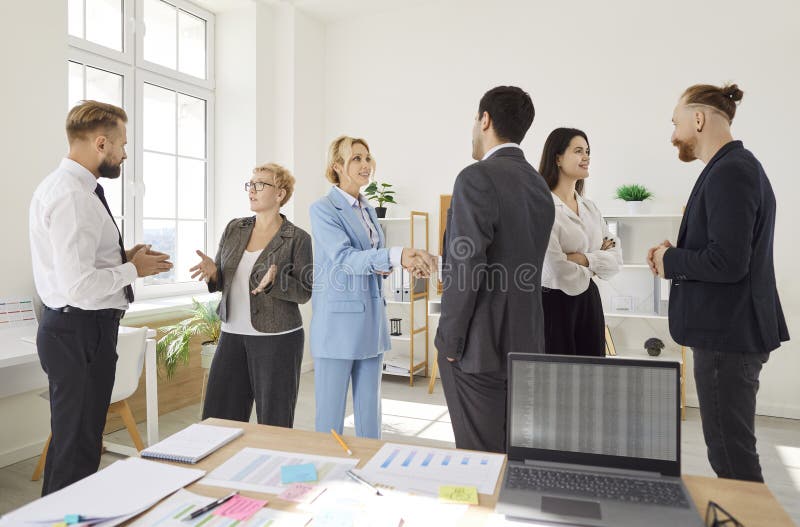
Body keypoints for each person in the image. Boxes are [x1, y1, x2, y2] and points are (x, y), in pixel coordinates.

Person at [29, 100, 173, 495]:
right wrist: (133, 270)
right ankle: (64, 518)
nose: (125, 153)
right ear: (100, 143)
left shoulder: (70, 189)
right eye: (123, 144)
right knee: (77, 449)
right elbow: (78, 286)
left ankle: (61, 515)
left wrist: (123, 258)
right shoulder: (73, 197)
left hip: (78, 330)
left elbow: (76, 266)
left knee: (76, 442)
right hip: (80, 331)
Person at [649, 83, 789, 482]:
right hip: (730, 334)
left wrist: (670, 260)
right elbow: (726, 251)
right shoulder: (733, 168)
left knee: (732, 459)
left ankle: (747, 513)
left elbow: (728, 262)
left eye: (675, 123)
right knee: (731, 454)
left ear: (698, 119)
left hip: (726, 338)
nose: (672, 135)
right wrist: (677, 255)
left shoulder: (731, 171)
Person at [435, 86, 555, 453]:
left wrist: (450, 342)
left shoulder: (476, 177)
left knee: (479, 457)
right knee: (512, 454)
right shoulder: (538, 185)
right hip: (527, 343)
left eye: (475, 119)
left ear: (484, 120)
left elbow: (466, 266)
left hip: (479, 349)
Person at [310, 135, 435, 439]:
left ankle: (371, 462)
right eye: (356, 158)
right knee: (330, 418)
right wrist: (396, 255)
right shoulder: (323, 209)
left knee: (370, 412)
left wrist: (403, 263)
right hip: (338, 326)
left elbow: (372, 260)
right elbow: (344, 259)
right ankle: (329, 465)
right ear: (336, 165)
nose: (366, 164)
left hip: (372, 320)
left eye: (367, 158)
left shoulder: (367, 209)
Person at [190, 163, 312, 427]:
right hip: (232, 334)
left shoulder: (298, 238)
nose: (251, 190)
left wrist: (276, 281)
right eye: (250, 184)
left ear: (280, 194)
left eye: (260, 184)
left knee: (274, 421)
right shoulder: (235, 228)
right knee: (218, 418)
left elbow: (304, 292)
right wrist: (213, 273)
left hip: (278, 339)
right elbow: (223, 279)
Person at [538, 128, 622, 356]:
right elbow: (555, 268)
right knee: (558, 373)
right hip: (553, 304)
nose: (586, 157)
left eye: (587, 151)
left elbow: (615, 260)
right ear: (557, 158)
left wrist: (580, 259)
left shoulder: (590, 208)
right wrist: (596, 259)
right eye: (578, 151)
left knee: (592, 370)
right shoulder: (542, 208)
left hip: (589, 301)